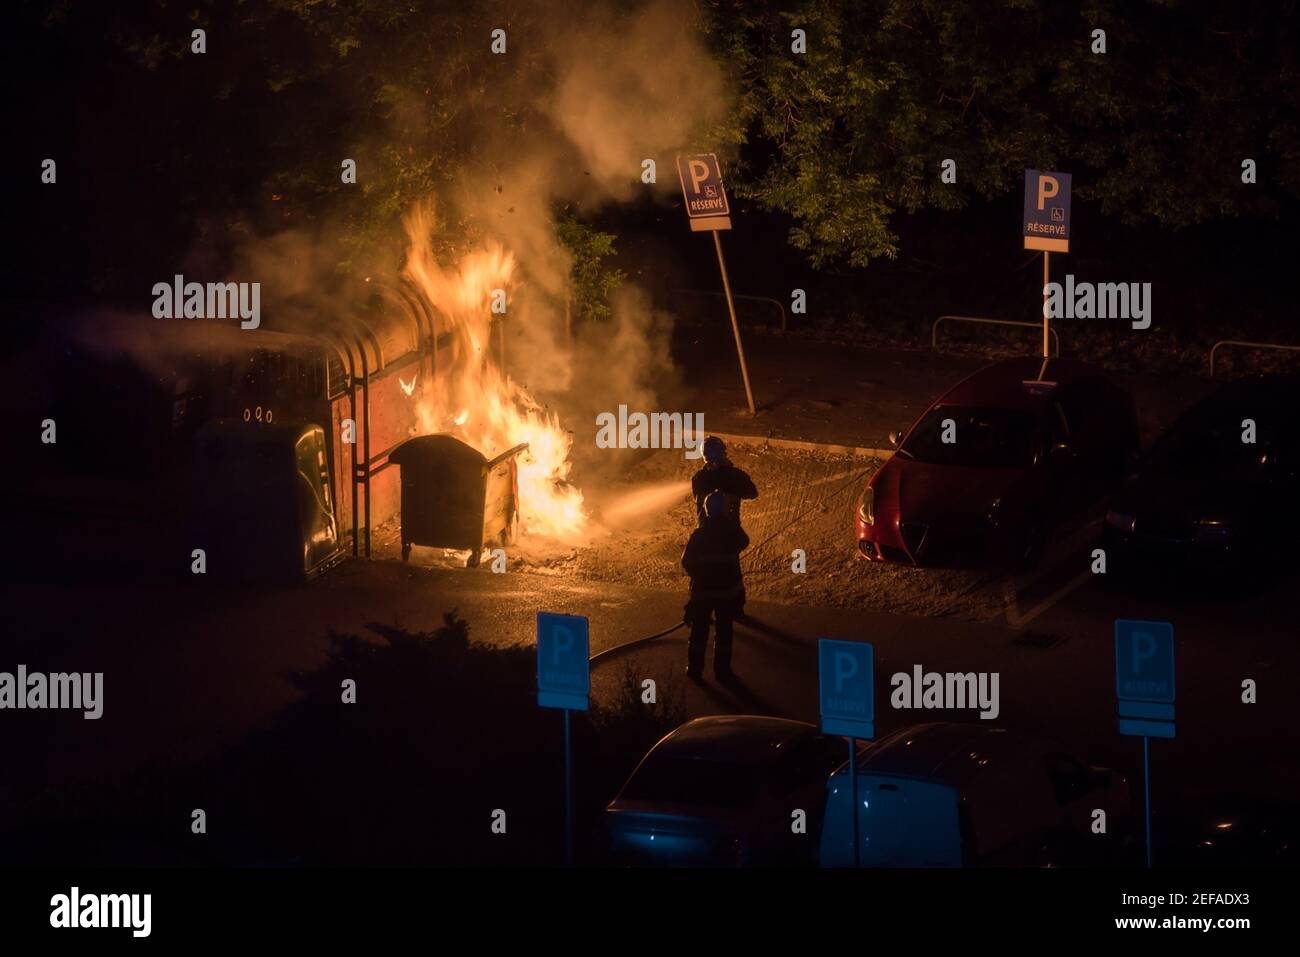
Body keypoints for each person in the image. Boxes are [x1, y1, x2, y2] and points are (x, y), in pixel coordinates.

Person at [681, 491, 749, 681]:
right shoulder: (732, 533)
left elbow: (686, 561)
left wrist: (699, 575)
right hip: (726, 593)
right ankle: (722, 670)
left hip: (702, 593)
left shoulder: (699, 535)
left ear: (706, 510)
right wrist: (733, 519)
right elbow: (744, 541)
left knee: (699, 632)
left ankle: (695, 670)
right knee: (724, 631)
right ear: (726, 509)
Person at [691, 436, 757, 529]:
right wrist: (734, 496)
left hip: (705, 531)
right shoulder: (735, 475)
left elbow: (697, 498)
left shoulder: (698, 478)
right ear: (723, 454)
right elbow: (752, 493)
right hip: (730, 530)